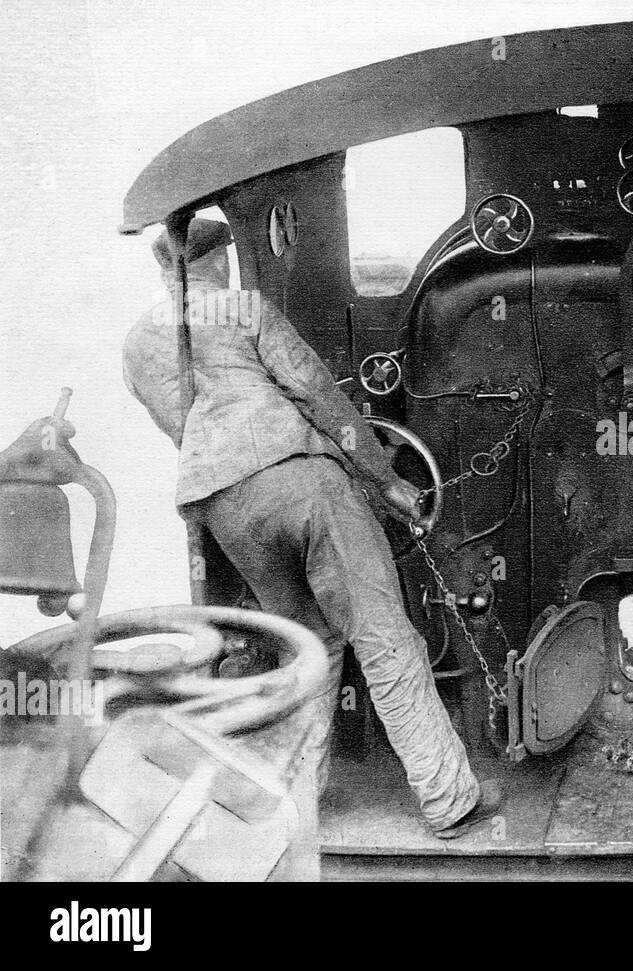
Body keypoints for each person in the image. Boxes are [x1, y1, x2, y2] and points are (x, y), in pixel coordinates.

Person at [122, 218, 500, 837]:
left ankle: (296, 801)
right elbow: (319, 395)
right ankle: (448, 798)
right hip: (304, 484)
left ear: (166, 268)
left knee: (308, 646)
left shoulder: (137, 343)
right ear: (219, 261)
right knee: (384, 637)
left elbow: (183, 428)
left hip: (224, 507)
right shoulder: (244, 308)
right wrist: (386, 481)